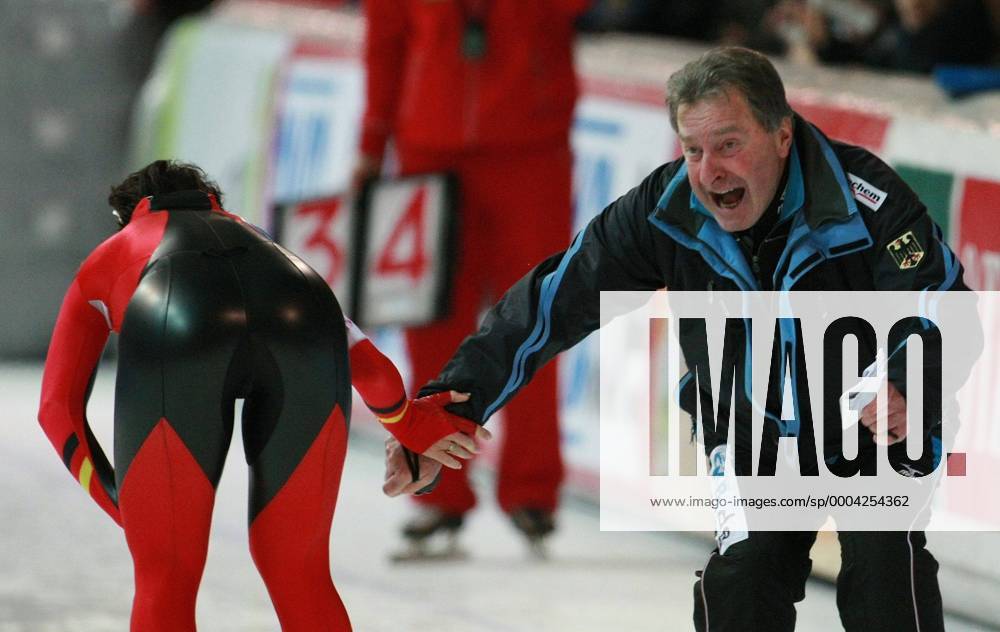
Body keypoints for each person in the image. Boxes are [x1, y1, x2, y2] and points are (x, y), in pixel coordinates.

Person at [384, 47, 969, 631]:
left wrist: (906, 380)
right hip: (749, 432)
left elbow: (944, 305)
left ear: (782, 135)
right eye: (693, 150)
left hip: (876, 422)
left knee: (884, 568)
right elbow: (550, 303)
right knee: (743, 580)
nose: (710, 172)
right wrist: (450, 404)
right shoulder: (665, 210)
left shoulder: (866, 198)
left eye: (729, 145)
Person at [37, 160, 487, 632]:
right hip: (300, 317)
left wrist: (120, 502)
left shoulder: (110, 254)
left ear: (127, 216)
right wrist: (407, 425)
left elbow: (55, 408)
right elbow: (372, 368)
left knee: (167, 573)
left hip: (177, 322)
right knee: (299, 569)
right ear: (215, 202)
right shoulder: (268, 246)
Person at [354, 0, 590, 550]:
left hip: (531, 150)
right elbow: (385, 40)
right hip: (428, 148)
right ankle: (437, 489)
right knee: (431, 324)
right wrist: (371, 144)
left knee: (540, 314)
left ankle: (531, 489)